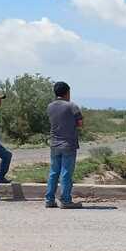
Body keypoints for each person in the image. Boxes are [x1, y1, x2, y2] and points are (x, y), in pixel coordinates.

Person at [45, 81, 84, 209]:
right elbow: (80, 123)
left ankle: (49, 199)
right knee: (66, 173)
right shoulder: (72, 106)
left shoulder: (50, 106)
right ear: (67, 92)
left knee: (53, 172)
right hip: (68, 144)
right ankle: (66, 200)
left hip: (54, 144)